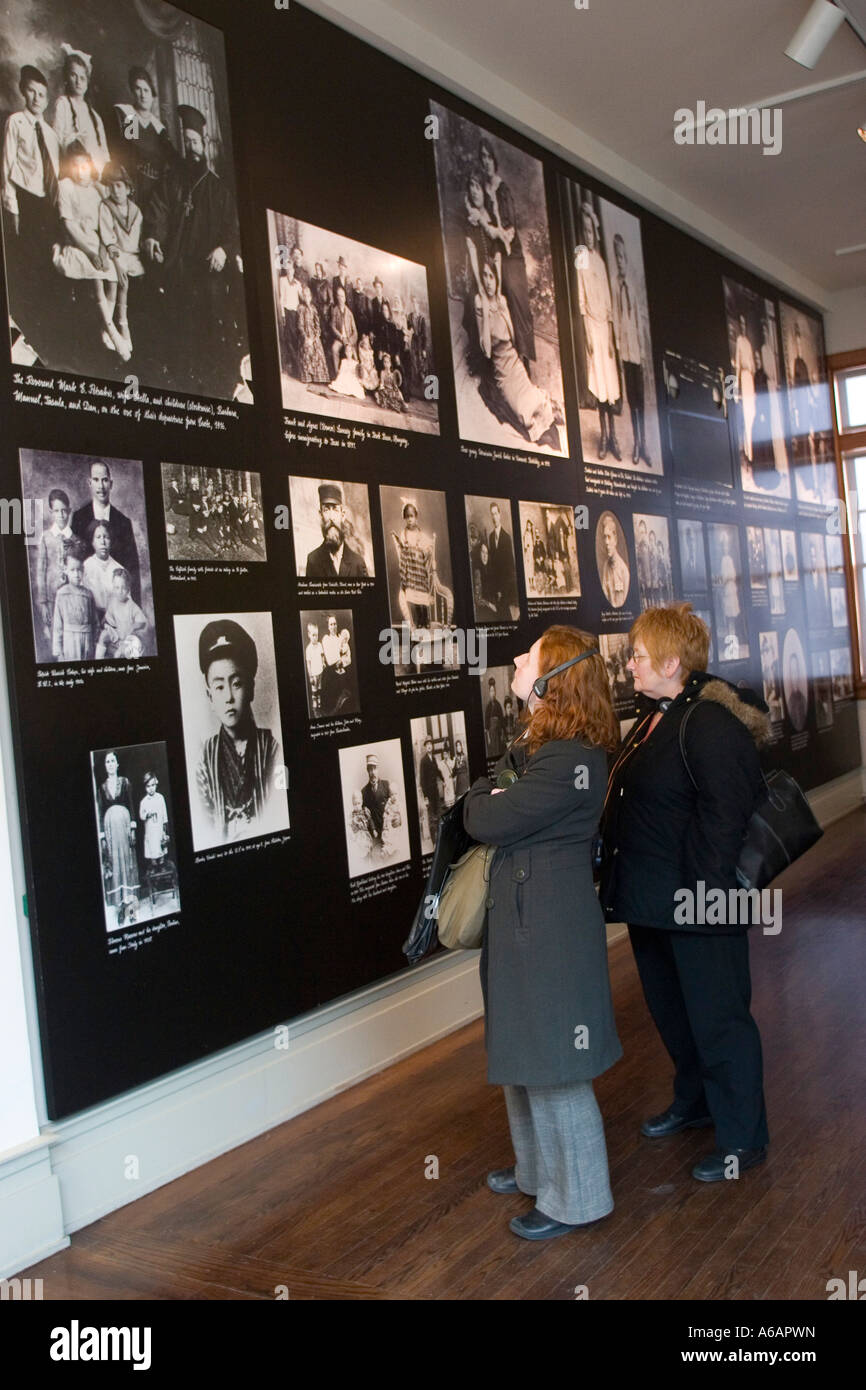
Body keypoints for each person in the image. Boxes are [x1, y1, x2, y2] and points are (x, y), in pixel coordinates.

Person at [600, 602, 770, 1183]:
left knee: (719, 1020)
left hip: (701, 904)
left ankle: (742, 1138)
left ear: (673, 663)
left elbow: (726, 814)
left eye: (638, 656)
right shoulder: (657, 717)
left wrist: (701, 893)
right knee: (675, 1014)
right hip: (653, 902)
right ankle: (694, 1103)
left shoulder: (709, 722)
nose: (630, 666)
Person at [463, 626, 621, 1239]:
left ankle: (577, 1198)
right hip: (530, 920)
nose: (516, 660)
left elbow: (486, 815)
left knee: (557, 1064)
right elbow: (494, 801)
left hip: (548, 928)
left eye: (528, 657)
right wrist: (494, 789)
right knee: (527, 1052)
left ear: (556, 678)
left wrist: (486, 791)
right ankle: (536, 1171)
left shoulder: (569, 756)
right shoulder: (545, 741)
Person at [143, 104, 241, 396]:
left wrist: (223, 250)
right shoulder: (171, 181)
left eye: (195, 143)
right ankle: (177, 377)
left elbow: (231, 230)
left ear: (204, 144)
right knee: (173, 318)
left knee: (208, 316)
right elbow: (157, 211)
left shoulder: (218, 189)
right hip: (176, 264)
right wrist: (151, 238)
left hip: (206, 269)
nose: (191, 149)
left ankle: (206, 378)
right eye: (186, 144)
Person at [195, 619, 283, 843]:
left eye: (236, 684)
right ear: (210, 697)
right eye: (219, 687)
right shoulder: (205, 759)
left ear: (251, 688)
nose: (229, 698)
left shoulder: (272, 750)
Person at [475, 259, 560, 449]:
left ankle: (549, 408)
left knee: (533, 400)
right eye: (484, 276)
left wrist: (498, 309)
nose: (488, 281)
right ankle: (545, 412)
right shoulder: (480, 304)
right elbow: (487, 351)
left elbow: (511, 338)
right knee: (522, 411)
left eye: (491, 276)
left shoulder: (502, 301)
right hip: (502, 372)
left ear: (497, 280)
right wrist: (488, 313)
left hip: (514, 363)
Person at [2, 65, 60, 309]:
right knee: (28, 256)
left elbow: (55, 168)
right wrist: (12, 207)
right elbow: (6, 167)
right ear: (23, 93)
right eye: (31, 92)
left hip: (50, 199)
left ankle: (47, 307)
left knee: (48, 254)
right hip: (27, 199)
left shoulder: (50, 132)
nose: (36, 98)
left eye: (41, 94)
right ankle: (32, 309)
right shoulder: (16, 122)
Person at [478, 137, 534, 370]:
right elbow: (479, 217)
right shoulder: (482, 190)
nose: (487, 162)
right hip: (495, 253)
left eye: (489, 157)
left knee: (516, 296)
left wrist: (493, 231)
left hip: (512, 253)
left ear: (494, 160)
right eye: (483, 158)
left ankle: (524, 357)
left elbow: (509, 230)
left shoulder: (503, 189)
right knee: (498, 299)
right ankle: (504, 356)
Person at [577, 202, 621, 461]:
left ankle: (614, 436)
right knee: (600, 384)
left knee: (611, 385)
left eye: (591, 231)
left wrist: (611, 340)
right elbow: (582, 299)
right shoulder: (581, 257)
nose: (588, 236)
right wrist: (587, 336)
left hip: (604, 328)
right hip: (592, 326)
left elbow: (609, 303)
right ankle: (603, 435)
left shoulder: (601, 262)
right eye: (584, 232)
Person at [72, 459, 141, 603]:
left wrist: (134, 606)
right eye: (96, 480)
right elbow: (74, 560)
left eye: (104, 480)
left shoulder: (124, 522)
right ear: (90, 483)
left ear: (111, 484)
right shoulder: (79, 517)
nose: (101, 486)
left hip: (116, 601)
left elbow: (131, 567)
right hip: (87, 599)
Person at [112, 67, 177, 213]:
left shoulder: (158, 127)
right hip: (134, 183)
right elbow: (131, 148)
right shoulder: (130, 116)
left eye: (146, 90)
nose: (143, 95)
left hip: (155, 191)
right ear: (132, 92)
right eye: (138, 89)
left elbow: (171, 159)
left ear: (152, 94)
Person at [98, 162, 144, 357]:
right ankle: (116, 325)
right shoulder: (105, 207)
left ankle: (124, 322)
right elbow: (108, 238)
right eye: (110, 186)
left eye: (119, 186)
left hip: (133, 255)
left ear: (128, 188)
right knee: (117, 282)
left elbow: (138, 240)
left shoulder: (136, 211)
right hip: (113, 252)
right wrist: (117, 263)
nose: (115, 191)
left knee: (142, 275)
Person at [611, 233, 648, 465]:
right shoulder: (616, 285)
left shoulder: (631, 286)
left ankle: (644, 444)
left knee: (641, 401)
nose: (621, 261)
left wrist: (641, 351)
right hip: (625, 350)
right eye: (618, 258)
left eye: (623, 257)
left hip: (636, 350)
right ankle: (636, 443)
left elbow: (639, 321)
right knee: (632, 400)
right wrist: (617, 346)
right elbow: (615, 315)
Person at [52, 45, 110, 179]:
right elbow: (56, 142)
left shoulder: (94, 116)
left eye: (82, 78)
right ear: (66, 78)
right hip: (74, 172)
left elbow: (104, 152)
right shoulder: (63, 104)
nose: (78, 82)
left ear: (87, 82)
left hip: (96, 175)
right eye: (73, 75)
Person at [97, 750, 139, 928]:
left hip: (124, 827)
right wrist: (103, 836)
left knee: (127, 865)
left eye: (113, 761)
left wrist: (133, 827)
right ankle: (121, 911)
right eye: (107, 762)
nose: (110, 764)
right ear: (105, 766)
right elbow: (100, 812)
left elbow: (130, 804)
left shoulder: (125, 782)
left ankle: (132, 911)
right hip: (110, 832)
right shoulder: (102, 787)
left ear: (117, 764)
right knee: (116, 866)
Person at [304, 482, 368, 578]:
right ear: (320, 515)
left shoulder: (358, 563)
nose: (331, 517)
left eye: (335, 509)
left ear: (342, 515)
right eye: (326, 510)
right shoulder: (313, 561)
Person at [36, 489, 72, 653]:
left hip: (69, 596)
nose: (61, 515)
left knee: (69, 636)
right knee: (55, 638)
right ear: (51, 512)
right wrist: (43, 602)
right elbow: (41, 570)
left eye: (64, 511)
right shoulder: (46, 537)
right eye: (57, 511)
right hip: (51, 598)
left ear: (69, 511)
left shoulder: (75, 538)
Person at [52, 536, 96, 661]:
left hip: (88, 641)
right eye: (72, 570)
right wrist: (59, 652)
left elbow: (95, 623)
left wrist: (95, 643)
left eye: (79, 570)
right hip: (70, 641)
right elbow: (58, 626)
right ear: (65, 570)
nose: (77, 574)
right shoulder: (62, 594)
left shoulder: (88, 594)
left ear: (83, 569)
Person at [95, 565, 148, 659]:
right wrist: (104, 625)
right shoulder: (113, 602)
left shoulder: (131, 606)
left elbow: (142, 622)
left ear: (128, 589)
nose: (120, 591)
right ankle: (98, 659)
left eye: (123, 588)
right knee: (103, 635)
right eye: (117, 587)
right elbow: (107, 619)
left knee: (118, 654)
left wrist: (133, 627)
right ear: (113, 587)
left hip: (130, 638)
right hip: (119, 635)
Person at [82, 519, 119, 619]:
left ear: (111, 541)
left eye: (106, 537)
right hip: (90, 617)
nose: (102, 542)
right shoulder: (86, 567)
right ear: (92, 542)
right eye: (98, 537)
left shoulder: (118, 569)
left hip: (114, 618)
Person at [486, 501, 517, 619]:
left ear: (500, 515)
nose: (494, 517)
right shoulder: (490, 537)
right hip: (495, 586)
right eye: (492, 514)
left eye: (495, 514)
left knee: (505, 617)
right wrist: (495, 588)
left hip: (505, 587)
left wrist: (502, 590)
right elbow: (492, 565)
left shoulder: (506, 537)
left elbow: (510, 567)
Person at [734, 314, 756, 465]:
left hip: (750, 380)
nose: (742, 326)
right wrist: (736, 387)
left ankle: (753, 453)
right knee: (746, 417)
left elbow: (752, 365)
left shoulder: (748, 342)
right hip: (742, 377)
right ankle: (748, 454)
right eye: (740, 323)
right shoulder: (739, 341)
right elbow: (737, 365)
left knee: (752, 415)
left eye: (744, 324)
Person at [139, 772, 169, 872]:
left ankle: (162, 865)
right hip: (150, 829)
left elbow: (164, 813)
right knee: (152, 847)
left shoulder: (160, 798)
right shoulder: (144, 801)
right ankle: (154, 866)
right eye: (148, 786)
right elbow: (141, 816)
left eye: (153, 785)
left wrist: (165, 826)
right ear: (145, 787)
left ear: (156, 785)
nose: (151, 788)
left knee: (161, 846)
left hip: (159, 828)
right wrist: (147, 815)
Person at [599, 513, 630, 608]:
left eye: (609, 537)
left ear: (615, 539)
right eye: (604, 537)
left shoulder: (623, 570)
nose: (606, 542)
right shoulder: (606, 567)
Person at [419, 735, 445, 847]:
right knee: (431, 818)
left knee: (439, 814)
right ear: (425, 747)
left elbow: (437, 771)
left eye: (431, 744)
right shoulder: (423, 761)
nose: (429, 746)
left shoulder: (433, 758)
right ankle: (434, 842)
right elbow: (422, 780)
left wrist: (443, 779)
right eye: (427, 744)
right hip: (428, 794)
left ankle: (440, 838)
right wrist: (425, 797)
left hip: (435, 791)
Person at [484, 677, 505, 758]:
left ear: (495, 692)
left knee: (500, 749)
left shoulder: (498, 705)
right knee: (493, 751)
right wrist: (488, 738)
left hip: (498, 732)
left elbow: (502, 720)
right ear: (489, 692)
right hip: (492, 734)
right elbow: (486, 725)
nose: (493, 693)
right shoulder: (488, 707)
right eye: (491, 691)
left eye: (494, 691)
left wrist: (502, 733)